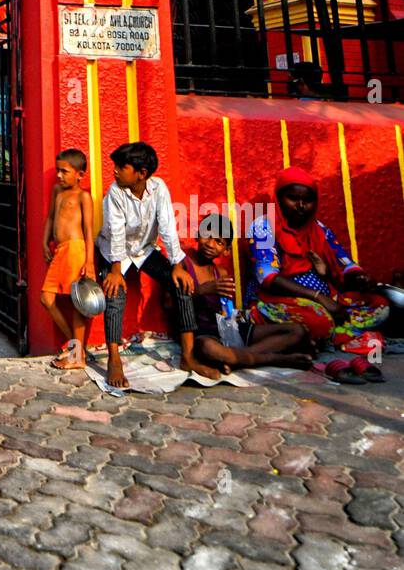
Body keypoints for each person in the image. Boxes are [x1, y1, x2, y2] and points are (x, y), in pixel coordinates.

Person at [96, 141, 220, 389]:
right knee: (115, 293)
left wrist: (176, 265)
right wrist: (116, 272)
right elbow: (117, 234)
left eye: (122, 167)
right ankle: (114, 359)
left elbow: (167, 226)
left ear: (141, 173)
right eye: (115, 166)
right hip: (114, 252)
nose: (115, 171)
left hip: (144, 250)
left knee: (182, 285)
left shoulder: (159, 188)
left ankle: (188, 356)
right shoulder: (114, 194)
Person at [246, 166, 388, 351]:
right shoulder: (263, 227)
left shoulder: (319, 229)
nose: (301, 205)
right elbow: (268, 278)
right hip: (278, 301)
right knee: (319, 320)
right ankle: (337, 334)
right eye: (293, 198)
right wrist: (319, 298)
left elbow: (344, 263)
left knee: (379, 305)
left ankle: (328, 335)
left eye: (308, 200)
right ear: (279, 199)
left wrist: (360, 278)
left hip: (327, 302)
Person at [181, 214, 312, 371]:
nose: (210, 244)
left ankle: (235, 358)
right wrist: (201, 291)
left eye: (219, 242)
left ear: (226, 250)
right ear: (197, 235)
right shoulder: (184, 263)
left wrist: (244, 317)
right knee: (207, 348)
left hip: (226, 327)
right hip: (203, 333)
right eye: (207, 236)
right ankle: (275, 359)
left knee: (296, 331)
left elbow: (226, 312)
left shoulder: (220, 273)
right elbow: (169, 304)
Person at [40, 149, 94, 371]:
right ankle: (77, 348)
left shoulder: (83, 196)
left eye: (65, 171)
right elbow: (51, 217)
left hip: (75, 250)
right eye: (58, 171)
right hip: (60, 250)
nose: (59, 176)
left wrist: (89, 262)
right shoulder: (57, 192)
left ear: (80, 174)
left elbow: (89, 231)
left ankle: (77, 353)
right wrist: (45, 242)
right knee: (47, 298)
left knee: (76, 303)